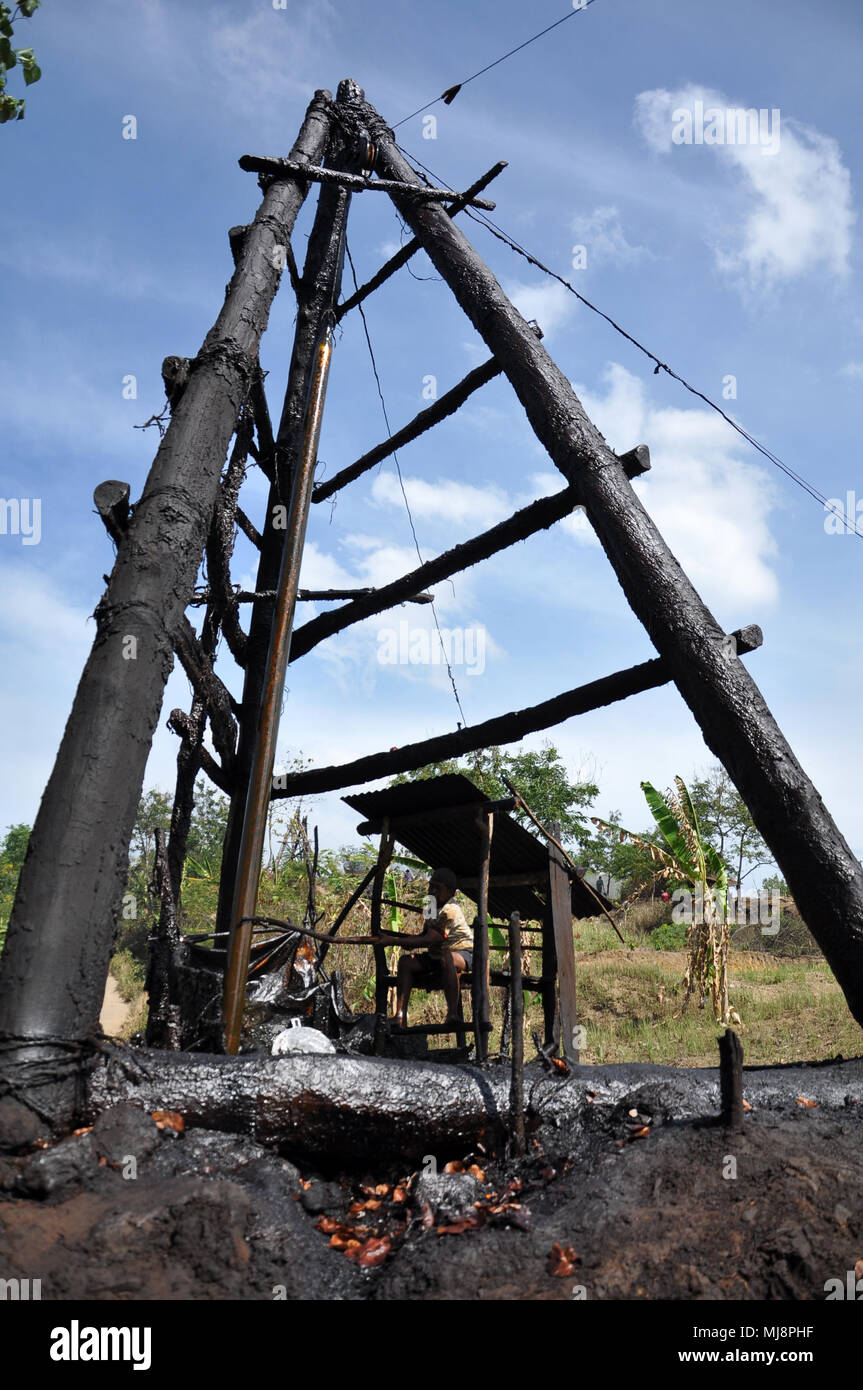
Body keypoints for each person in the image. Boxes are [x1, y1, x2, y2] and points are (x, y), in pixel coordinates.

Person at [378, 867, 473, 1030]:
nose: (433, 891)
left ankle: (452, 1014)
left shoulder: (451, 909)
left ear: (450, 891)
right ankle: (399, 1016)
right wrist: (407, 942)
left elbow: (431, 938)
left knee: (447, 957)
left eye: (438, 888)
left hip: (463, 953)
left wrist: (394, 940)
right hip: (437, 955)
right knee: (406, 963)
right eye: (431, 886)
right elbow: (425, 934)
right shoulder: (431, 906)